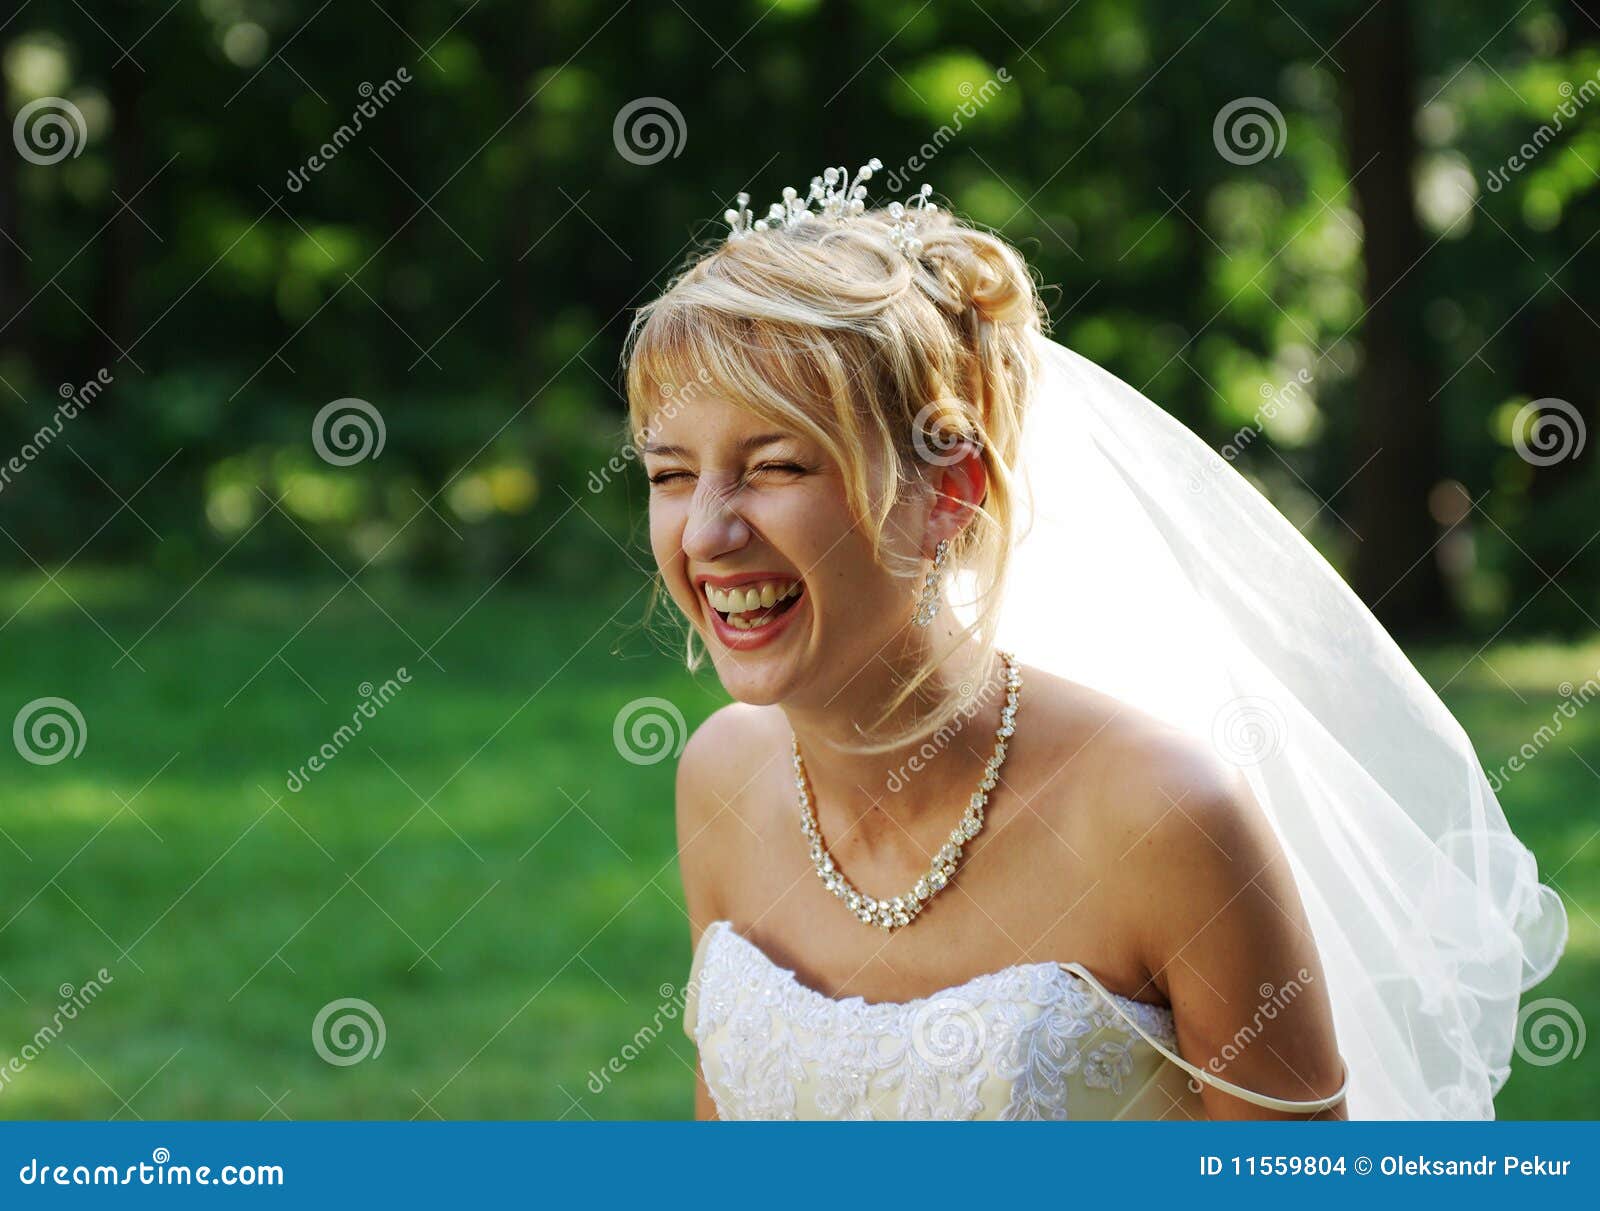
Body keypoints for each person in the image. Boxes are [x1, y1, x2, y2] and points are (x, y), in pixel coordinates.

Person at [621, 161, 1566, 1120]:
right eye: (669, 474)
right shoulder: (719, 780)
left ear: (947, 492)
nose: (705, 533)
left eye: (775, 464)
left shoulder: (1165, 814)